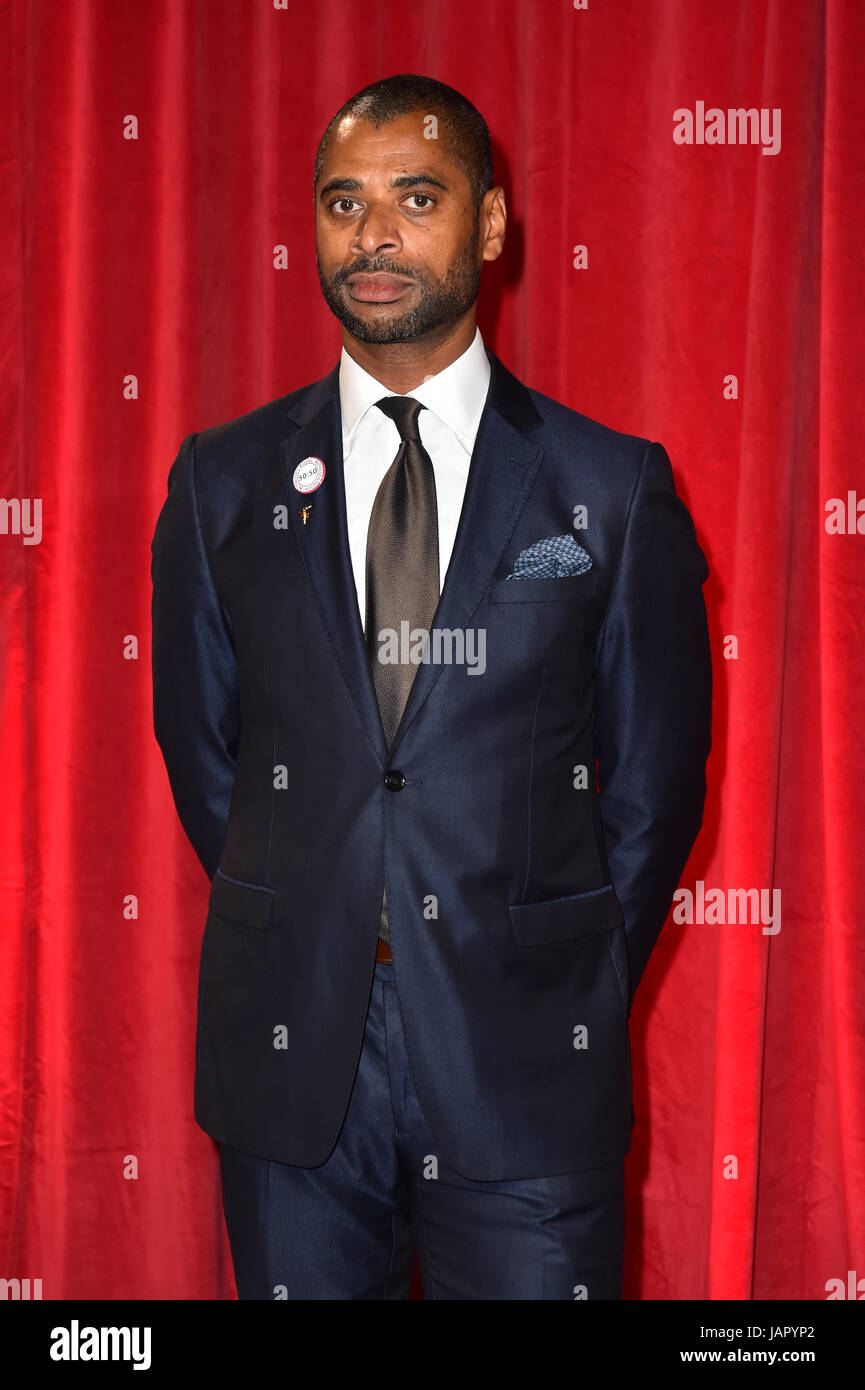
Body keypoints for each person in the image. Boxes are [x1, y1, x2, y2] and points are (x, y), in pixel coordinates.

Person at [150, 73, 712, 1300]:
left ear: (493, 225)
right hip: (296, 1068)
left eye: (417, 196)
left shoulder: (608, 490)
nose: (375, 235)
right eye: (344, 203)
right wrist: (321, 908)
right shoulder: (222, 484)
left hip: (527, 1069)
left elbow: (655, 788)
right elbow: (207, 758)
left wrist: (554, 965)